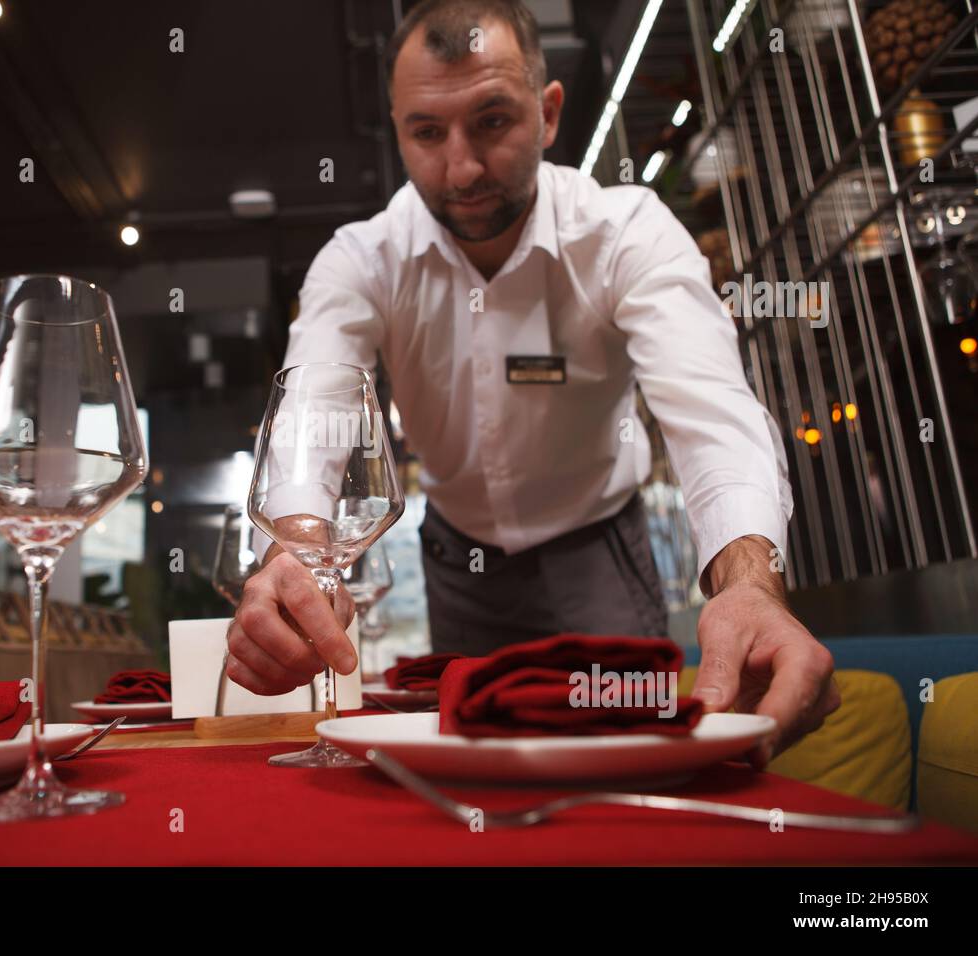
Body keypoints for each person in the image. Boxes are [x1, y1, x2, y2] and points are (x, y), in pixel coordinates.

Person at [225, 0, 838, 764]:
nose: (462, 168)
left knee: (633, 763)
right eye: (426, 132)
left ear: (548, 114)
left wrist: (749, 585)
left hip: (600, 551)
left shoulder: (625, 233)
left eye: (491, 121)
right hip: (460, 562)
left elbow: (712, 414)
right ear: (398, 127)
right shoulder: (361, 260)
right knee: (473, 768)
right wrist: (292, 555)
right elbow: (311, 415)